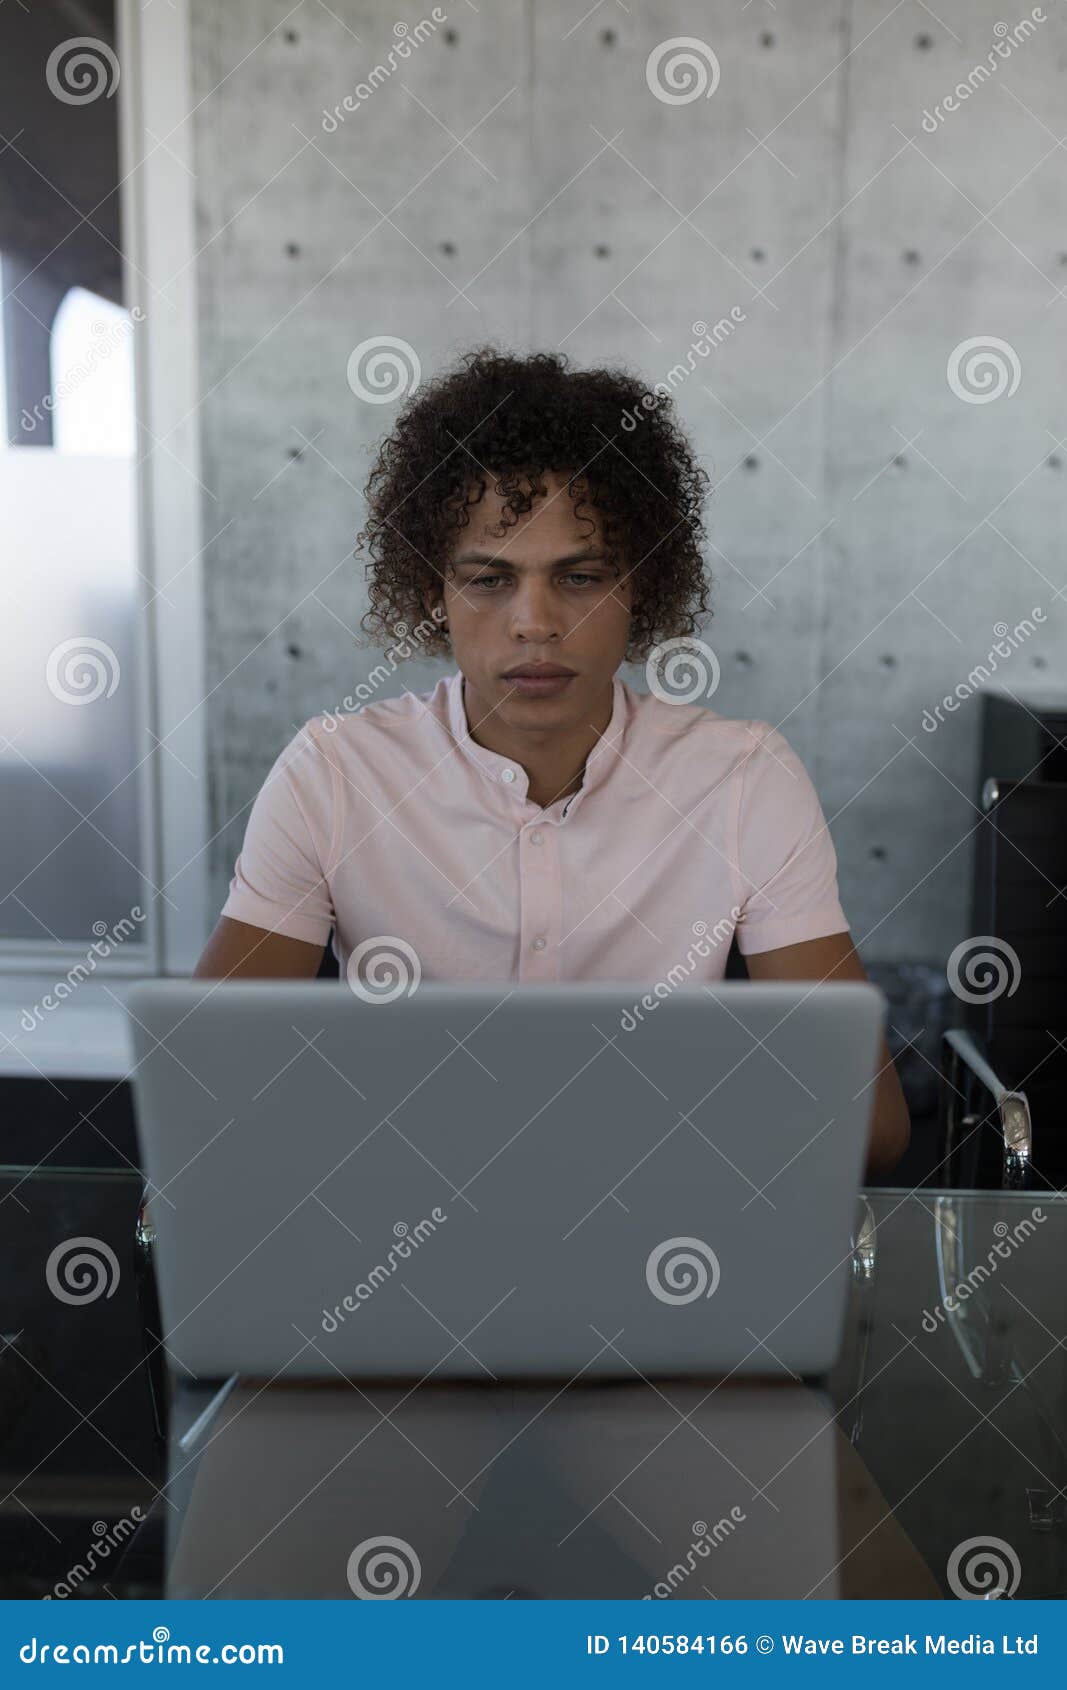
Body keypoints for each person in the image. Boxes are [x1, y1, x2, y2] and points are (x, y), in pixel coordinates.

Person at [194, 346, 909, 1174]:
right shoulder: (333, 777)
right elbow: (211, 1082)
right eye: (489, 580)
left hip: (661, 1236)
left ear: (639, 584)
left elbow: (869, 1121)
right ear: (433, 591)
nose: (535, 622)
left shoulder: (742, 780)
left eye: (580, 577)